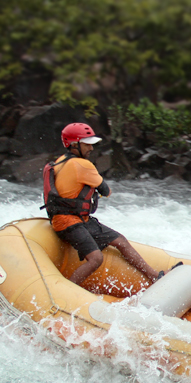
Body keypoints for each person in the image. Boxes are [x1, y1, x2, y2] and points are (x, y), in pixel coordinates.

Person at [42, 122, 160, 286]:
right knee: (96, 258)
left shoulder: (60, 161)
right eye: (87, 144)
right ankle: (66, 289)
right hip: (68, 222)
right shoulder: (82, 164)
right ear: (74, 144)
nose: (91, 149)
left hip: (76, 219)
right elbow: (106, 191)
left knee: (121, 241)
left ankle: (154, 276)